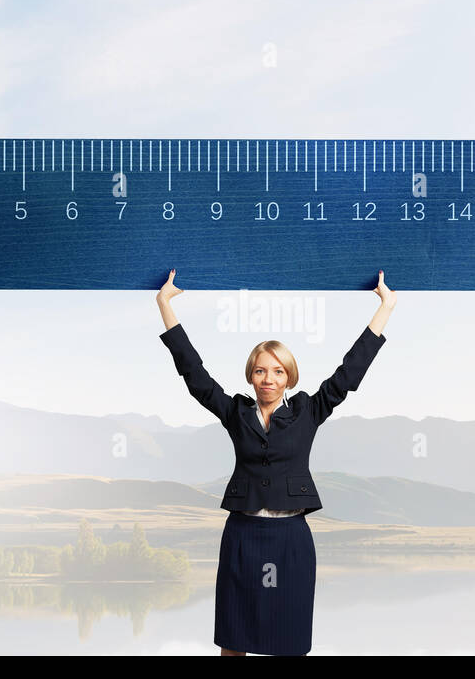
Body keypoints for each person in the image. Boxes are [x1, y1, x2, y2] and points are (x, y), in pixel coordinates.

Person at [156, 269, 396, 655]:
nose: (269, 378)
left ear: (289, 378)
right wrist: (164, 305)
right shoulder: (234, 411)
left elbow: (349, 372)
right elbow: (194, 374)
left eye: (278, 371)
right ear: (251, 376)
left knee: (289, 640)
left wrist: (387, 306)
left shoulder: (308, 411)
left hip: (290, 541)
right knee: (234, 639)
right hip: (242, 536)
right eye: (261, 370)